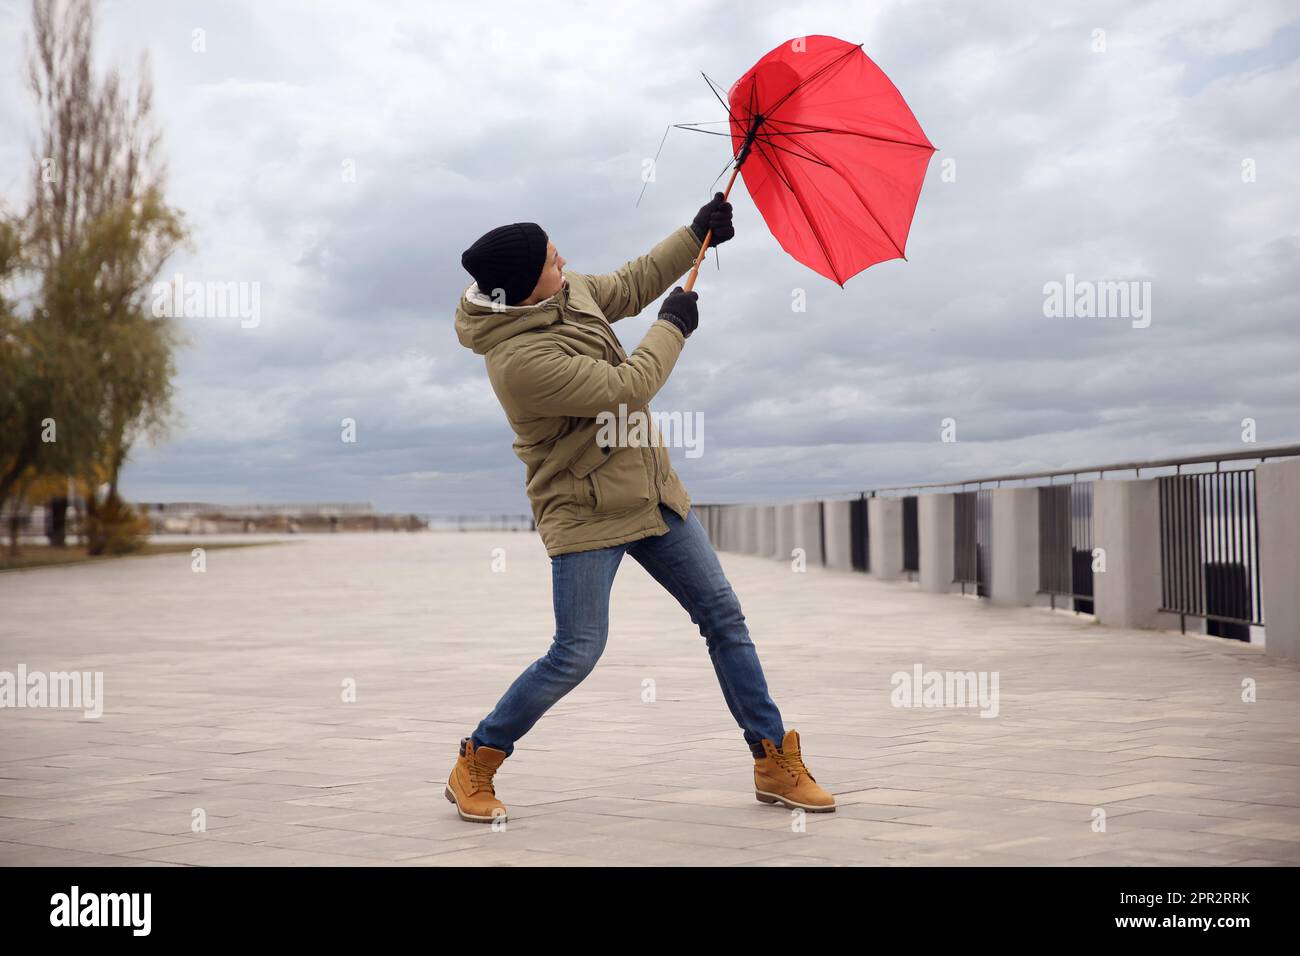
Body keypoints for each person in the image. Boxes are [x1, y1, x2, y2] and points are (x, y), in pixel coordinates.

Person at [447, 195, 835, 823]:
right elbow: (626, 389)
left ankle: (772, 759)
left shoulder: (564, 290)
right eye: (551, 259)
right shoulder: (519, 363)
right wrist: (674, 325)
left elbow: (628, 284)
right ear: (521, 292)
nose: (564, 261)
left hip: (649, 492)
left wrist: (694, 234)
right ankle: (479, 756)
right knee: (575, 652)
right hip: (585, 510)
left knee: (723, 616)